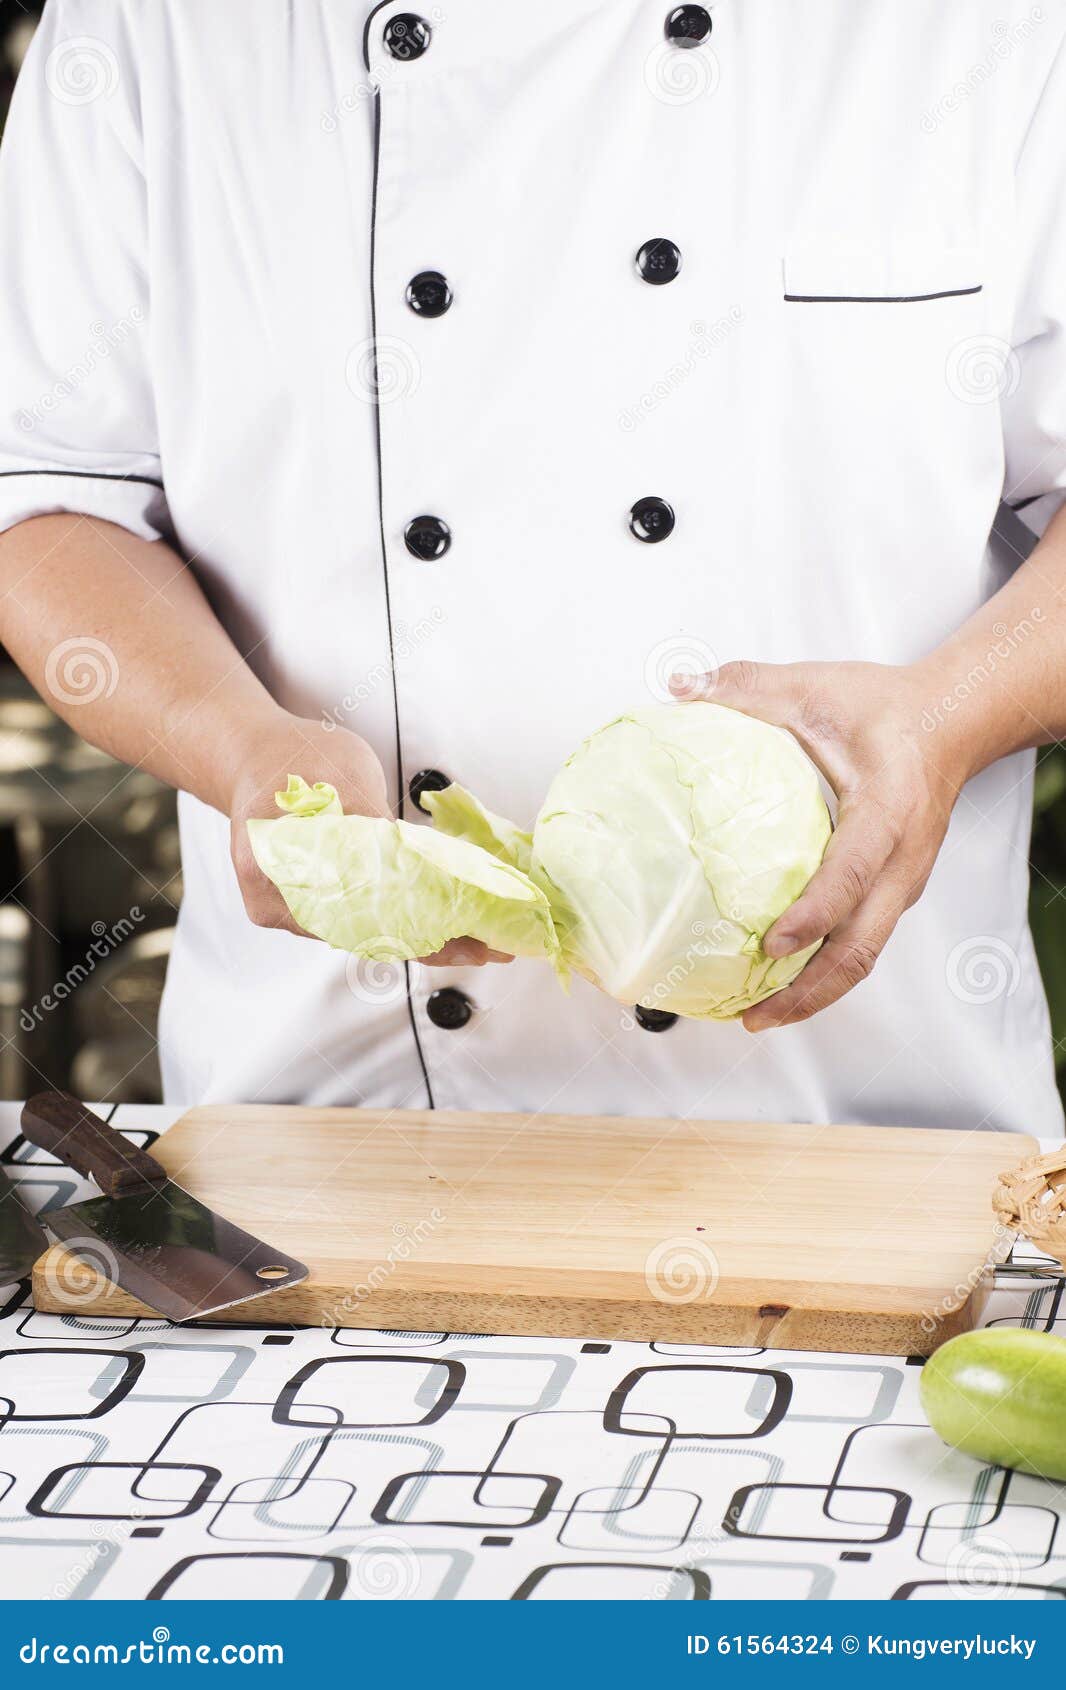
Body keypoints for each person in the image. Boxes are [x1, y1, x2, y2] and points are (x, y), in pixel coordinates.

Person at [0, 0, 1064, 1134]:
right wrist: (241, 747)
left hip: (883, 1132)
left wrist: (940, 723)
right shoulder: (160, 24)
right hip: (325, 1132)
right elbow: (46, 492)